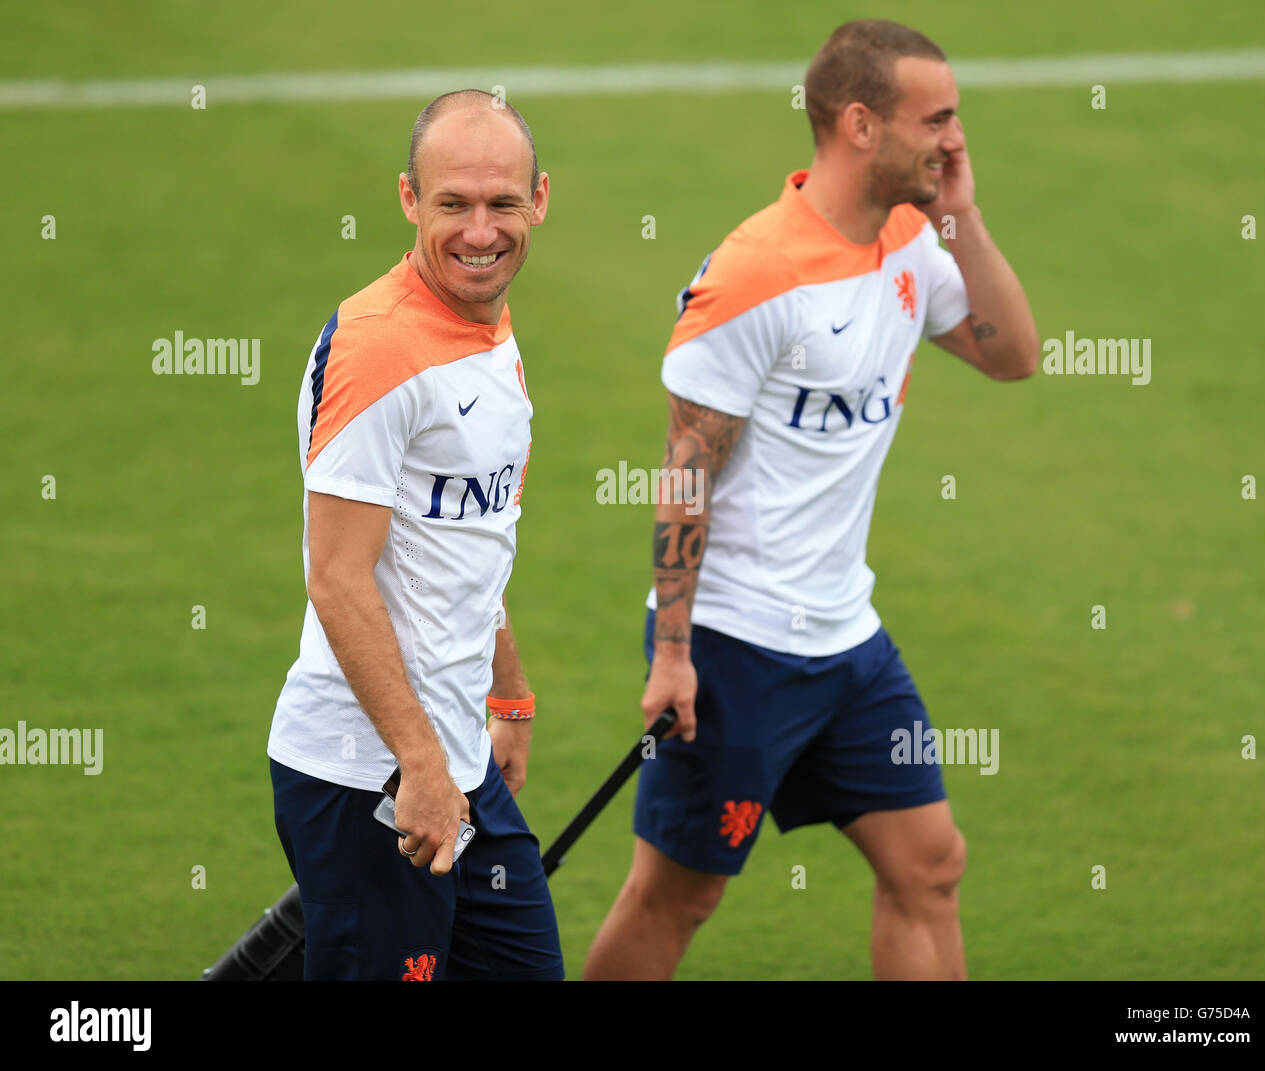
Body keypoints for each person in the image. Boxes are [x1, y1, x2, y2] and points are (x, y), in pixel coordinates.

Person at [584, 20, 1039, 981]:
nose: (954, 138)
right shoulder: (754, 276)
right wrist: (672, 653)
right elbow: (684, 471)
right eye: (938, 118)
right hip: (736, 649)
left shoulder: (912, 239)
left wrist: (964, 216)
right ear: (862, 125)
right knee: (678, 895)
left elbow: (1011, 354)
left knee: (931, 863)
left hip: (847, 642)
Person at [267, 89, 563, 980]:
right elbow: (338, 578)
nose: (482, 230)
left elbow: (471, 535)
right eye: (454, 204)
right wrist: (421, 764)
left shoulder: (484, 326)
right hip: (374, 776)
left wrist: (505, 693)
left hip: (453, 761)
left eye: (503, 203)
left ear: (539, 199)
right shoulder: (381, 347)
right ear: (408, 200)